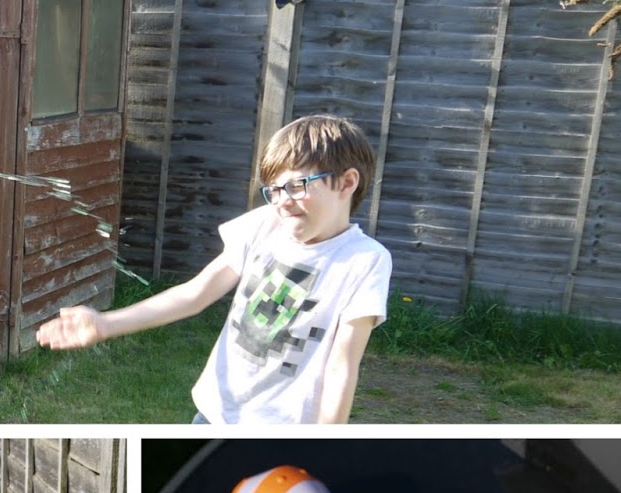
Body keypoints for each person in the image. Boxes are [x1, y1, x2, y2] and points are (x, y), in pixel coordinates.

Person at [38, 114, 392, 425]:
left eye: (297, 186)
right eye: (274, 190)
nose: (283, 201)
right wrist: (105, 324)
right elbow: (195, 295)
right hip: (216, 412)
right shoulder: (264, 224)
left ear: (347, 183)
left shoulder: (364, 260)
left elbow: (341, 367)